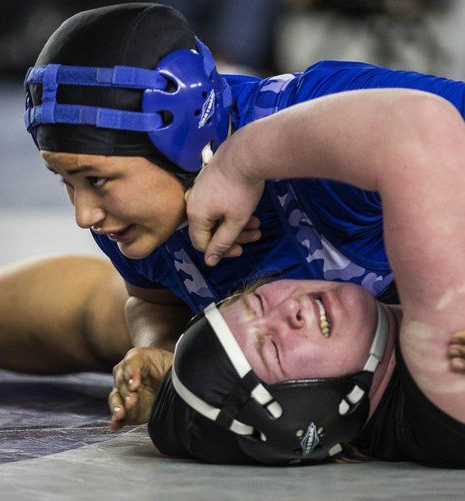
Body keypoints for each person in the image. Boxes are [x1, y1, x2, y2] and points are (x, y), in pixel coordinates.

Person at [21, 3, 465, 427]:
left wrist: (244, 162)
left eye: (95, 180)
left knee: (97, 310)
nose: (83, 214)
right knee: (107, 323)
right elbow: (152, 299)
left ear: (181, 141)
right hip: (364, 356)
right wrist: (159, 348)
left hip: (420, 337)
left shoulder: (325, 113)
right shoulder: (128, 215)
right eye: (65, 180)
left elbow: (432, 129)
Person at [111, 86, 465, 466]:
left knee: (95, 318)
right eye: (273, 349)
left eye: (260, 301)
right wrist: (239, 163)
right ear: (308, 414)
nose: (290, 311)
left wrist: (167, 354)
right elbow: (419, 128)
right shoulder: (440, 369)